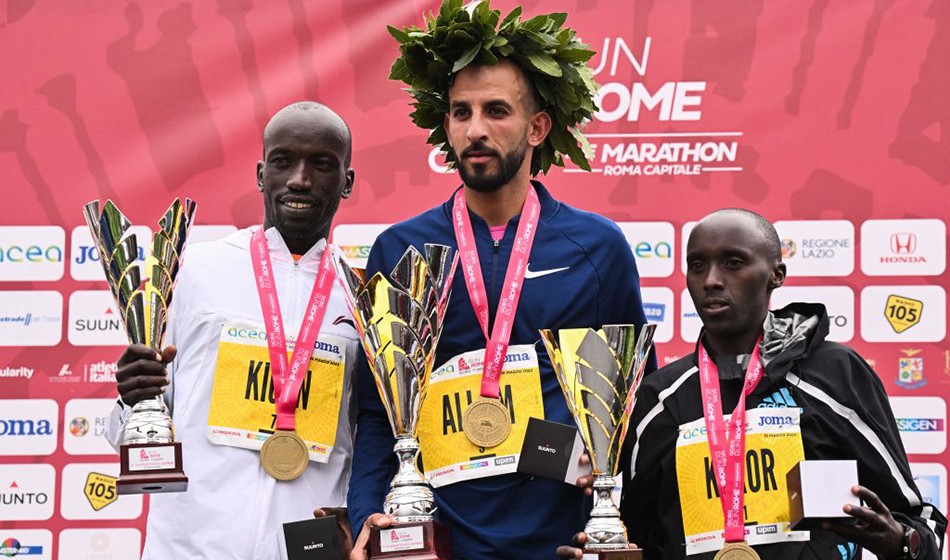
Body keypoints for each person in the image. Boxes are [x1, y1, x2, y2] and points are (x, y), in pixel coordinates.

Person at [347, 2, 655, 559]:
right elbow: (376, 413)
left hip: (563, 541)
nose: (476, 130)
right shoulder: (400, 248)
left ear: (538, 127)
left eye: (496, 111)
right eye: (460, 113)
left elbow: (629, 411)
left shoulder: (597, 249)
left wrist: (619, 524)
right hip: (433, 539)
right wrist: (367, 511)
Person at [557, 209, 947, 560]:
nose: (711, 280)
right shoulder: (659, 397)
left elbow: (919, 524)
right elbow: (643, 537)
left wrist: (899, 541)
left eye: (733, 263)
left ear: (776, 274)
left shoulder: (834, 374)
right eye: (697, 265)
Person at [105, 101, 360, 560]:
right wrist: (132, 398)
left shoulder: (364, 296)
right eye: (283, 161)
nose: (300, 180)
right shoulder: (193, 268)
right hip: (192, 545)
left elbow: (370, 434)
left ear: (347, 181)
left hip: (308, 547)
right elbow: (134, 430)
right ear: (262, 174)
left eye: (322, 164)